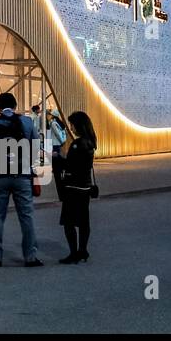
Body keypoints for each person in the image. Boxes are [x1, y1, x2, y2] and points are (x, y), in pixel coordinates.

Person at [0, 91, 42, 267]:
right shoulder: (27, 121)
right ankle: (30, 257)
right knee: (27, 217)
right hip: (22, 175)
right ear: (15, 106)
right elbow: (36, 146)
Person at [55, 111, 97, 264]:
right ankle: (83, 250)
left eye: (72, 124)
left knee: (69, 222)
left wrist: (58, 158)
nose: (70, 128)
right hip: (85, 187)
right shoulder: (90, 143)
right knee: (84, 221)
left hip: (73, 187)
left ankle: (74, 253)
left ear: (78, 125)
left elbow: (70, 165)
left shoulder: (77, 144)